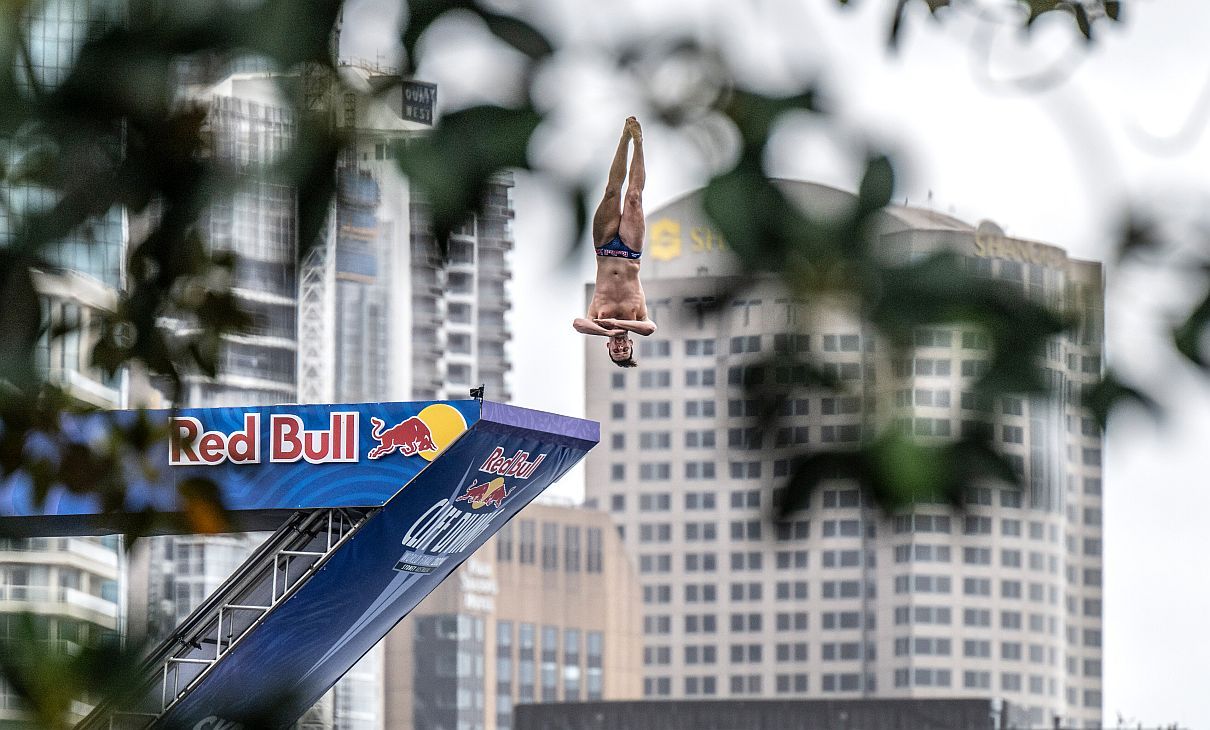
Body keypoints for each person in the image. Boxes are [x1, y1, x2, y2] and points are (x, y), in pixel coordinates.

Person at [572, 116, 656, 367]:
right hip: (631, 252)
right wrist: (618, 325)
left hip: (605, 249)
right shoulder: (639, 321)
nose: (619, 346)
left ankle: (624, 139)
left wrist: (606, 330)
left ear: (609, 346)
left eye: (615, 350)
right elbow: (650, 328)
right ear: (630, 344)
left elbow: (577, 324)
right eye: (624, 349)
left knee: (611, 191)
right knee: (633, 197)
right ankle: (638, 142)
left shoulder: (596, 322)